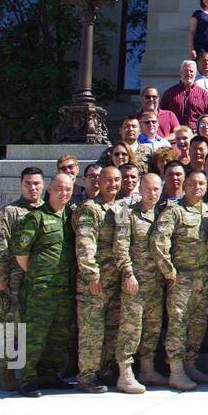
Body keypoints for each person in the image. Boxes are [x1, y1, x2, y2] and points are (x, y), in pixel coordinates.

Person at [9, 173, 77, 398]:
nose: (64, 192)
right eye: (59, 188)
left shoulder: (71, 217)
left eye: (68, 189)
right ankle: (27, 379)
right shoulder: (36, 218)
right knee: (36, 335)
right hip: (42, 289)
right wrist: (39, 274)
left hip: (65, 289)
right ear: (49, 189)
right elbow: (20, 253)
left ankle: (49, 375)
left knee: (59, 336)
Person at [152, 170, 208, 390]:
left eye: (201, 183)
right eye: (193, 183)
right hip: (182, 279)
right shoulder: (174, 212)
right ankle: (176, 370)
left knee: (198, 324)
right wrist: (169, 273)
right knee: (178, 324)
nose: (197, 187)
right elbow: (159, 243)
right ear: (184, 185)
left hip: (204, 279)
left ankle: (190, 364)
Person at [72, 165, 132, 394]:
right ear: (99, 182)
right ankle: (87, 375)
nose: (113, 184)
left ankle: (106, 370)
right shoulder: (90, 209)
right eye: (108, 180)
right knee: (91, 329)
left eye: (117, 180)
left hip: (116, 280)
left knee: (111, 327)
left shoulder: (122, 208)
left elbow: (124, 244)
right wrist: (91, 275)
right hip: (95, 282)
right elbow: (85, 246)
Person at [0, 168, 45, 391]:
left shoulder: (49, 210)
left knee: (33, 328)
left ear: (43, 185)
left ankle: (31, 371)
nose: (33, 188)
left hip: (38, 282)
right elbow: (0, 249)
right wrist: (1, 282)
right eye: (28, 183)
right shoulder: (9, 212)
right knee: (9, 328)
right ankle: (6, 372)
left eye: (37, 183)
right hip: (13, 282)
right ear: (21, 185)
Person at [116, 172, 169, 392]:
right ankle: (125, 373)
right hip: (135, 282)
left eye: (157, 189)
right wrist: (128, 273)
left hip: (156, 282)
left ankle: (147, 369)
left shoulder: (163, 214)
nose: (153, 193)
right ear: (139, 189)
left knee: (152, 327)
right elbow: (120, 246)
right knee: (131, 327)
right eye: (148, 189)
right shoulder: (126, 214)